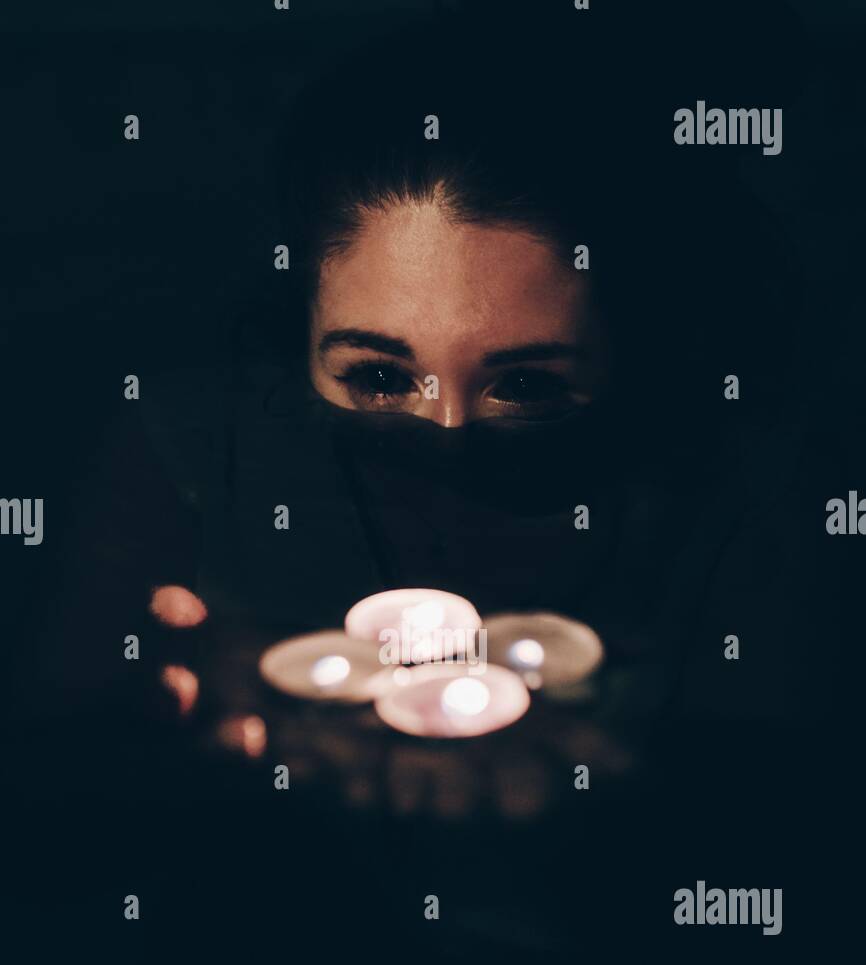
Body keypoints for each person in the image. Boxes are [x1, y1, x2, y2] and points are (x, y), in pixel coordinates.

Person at [41, 17, 850, 813]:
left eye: (525, 385)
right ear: (301, 322)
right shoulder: (193, 453)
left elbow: (789, 797)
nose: (448, 430)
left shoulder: (740, 484)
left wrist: (629, 795)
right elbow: (58, 778)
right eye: (383, 374)